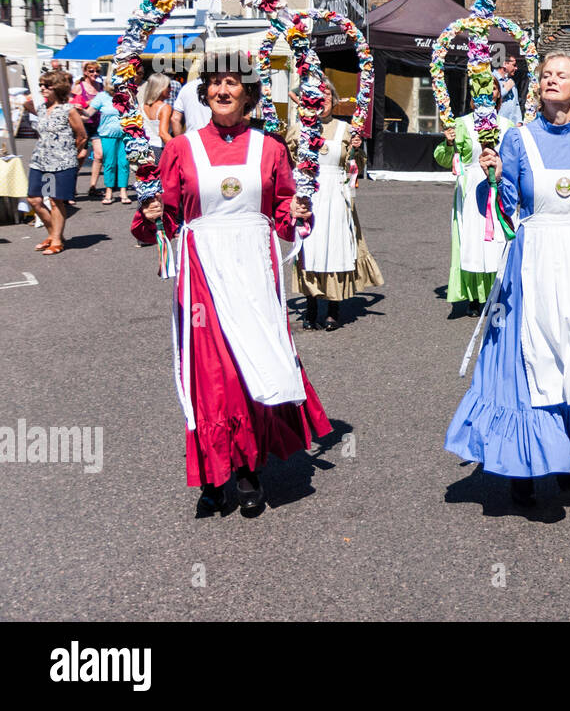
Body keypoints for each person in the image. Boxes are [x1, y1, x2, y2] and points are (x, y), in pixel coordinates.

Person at [132, 65, 330, 516]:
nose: (223, 90)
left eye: (232, 84)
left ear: (248, 95)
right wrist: (149, 215)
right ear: (204, 93)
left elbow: (283, 213)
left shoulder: (270, 149)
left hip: (255, 269)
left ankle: (247, 468)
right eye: (215, 84)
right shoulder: (180, 149)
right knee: (211, 369)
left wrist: (298, 211)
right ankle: (213, 471)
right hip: (204, 268)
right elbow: (163, 220)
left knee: (249, 361)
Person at [444, 51, 570, 507]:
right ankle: (522, 463)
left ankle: (569, 451)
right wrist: (490, 179)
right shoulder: (517, 139)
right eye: (546, 74)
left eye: (561, 75)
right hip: (531, 259)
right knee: (524, 357)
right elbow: (506, 208)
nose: (551, 79)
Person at [288, 80, 384, 330]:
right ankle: (310, 305)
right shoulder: (299, 129)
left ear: (334, 99)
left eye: (328, 93)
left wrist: (357, 150)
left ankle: (333, 307)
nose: (324, 98)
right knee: (309, 247)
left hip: (336, 194)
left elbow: (356, 167)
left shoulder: (345, 129)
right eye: (318, 95)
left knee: (335, 247)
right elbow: (287, 160)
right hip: (309, 194)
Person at [434, 71, 516, 315]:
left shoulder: (508, 126)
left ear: (498, 94)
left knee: (496, 239)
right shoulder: (461, 124)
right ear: (473, 95)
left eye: (492, 88)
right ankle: (474, 296)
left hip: (497, 185)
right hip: (470, 188)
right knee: (472, 241)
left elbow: (513, 161)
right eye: (481, 88)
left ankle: (497, 290)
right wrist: (448, 143)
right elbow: (444, 158)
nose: (487, 93)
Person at [24, 69, 87, 255]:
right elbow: (27, 103)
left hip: (61, 162)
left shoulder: (69, 110)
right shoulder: (42, 108)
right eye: (41, 85)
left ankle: (57, 240)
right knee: (34, 199)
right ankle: (53, 233)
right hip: (39, 160)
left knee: (55, 200)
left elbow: (82, 136)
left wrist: (69, 154)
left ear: (57, 88)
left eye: (46, 86)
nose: (42, 89)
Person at [88, 80, 131, 204]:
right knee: (109, 163)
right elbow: (88, 113)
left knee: (124, 163)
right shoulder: (102, 96)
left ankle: (123, 191)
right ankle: (109, 192)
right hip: (107, 135)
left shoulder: (128, 95)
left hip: (125, 135)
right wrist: (77, 112)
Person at [70, 61, 104, 199]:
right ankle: (71, 186)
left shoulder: (101, 87)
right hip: (82, 125)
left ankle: (92, 187)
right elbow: (69, 103)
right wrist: (81, 104)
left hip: (97, 125)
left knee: (99, 155)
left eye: (97, 71)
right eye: (91, 71)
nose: (94, 74)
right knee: (80, 156)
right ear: (85, 72)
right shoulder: (79, 87)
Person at [140, 72, 175, 158]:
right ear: (160, 88)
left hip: (145, 148)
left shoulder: (142, 106)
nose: (171, 89)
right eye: (168, 86)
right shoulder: (165, 108)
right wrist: (179, 148)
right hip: (160, 149)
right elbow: (163, 133)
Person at [496, 52, 523, 124]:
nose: (516, 68)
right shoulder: (492, 78)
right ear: (504, 64)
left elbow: (516, 103)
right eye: (514, 65)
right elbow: (490, 99)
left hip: (512, 125)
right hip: (498, 125)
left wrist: (519, 121)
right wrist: (506, 89)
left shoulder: (510, 81)